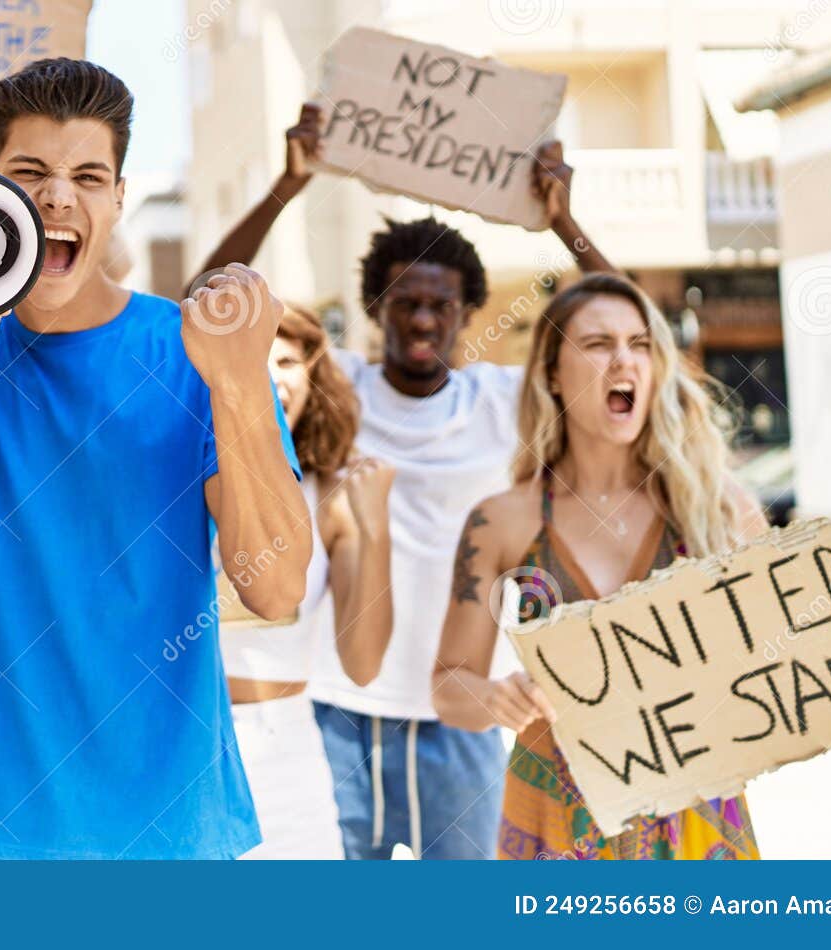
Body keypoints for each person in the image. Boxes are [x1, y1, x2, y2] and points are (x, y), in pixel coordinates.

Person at [0, 57, 311, 860]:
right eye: (29, 172)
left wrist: (237, 385)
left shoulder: (196, 356)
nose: (59, 196)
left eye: (88, 176)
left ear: (118, 199)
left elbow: (274, 589)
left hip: (168, 835)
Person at [195, 103, 614, 860]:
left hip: (463, 715)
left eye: (440, 305)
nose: (423, 320)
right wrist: (287, 188)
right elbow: (208, 303)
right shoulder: (334, 393)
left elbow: (625, 334)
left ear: (467, 312)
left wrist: (565, 225)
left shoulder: (501, 406)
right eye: (406, 303)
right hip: (332, 712)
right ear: (376, 309)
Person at [431, 272, 764, 859]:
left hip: (695, 817)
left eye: (640, 345)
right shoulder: (501, 520)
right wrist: (496, 698)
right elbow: (448, 686)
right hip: (554, 816)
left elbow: (780, 646)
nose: (624, 361)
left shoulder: (715, 507)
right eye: (597, 344)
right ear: (552, 375)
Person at [220, 304, 395, 859]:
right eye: (252, 358)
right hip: (184, 750)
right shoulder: (175, 483)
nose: (270, 374)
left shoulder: (335, 499)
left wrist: (375, 530)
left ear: (312, 376)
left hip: (289, 757)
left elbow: (363, 665)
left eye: (288, 359)